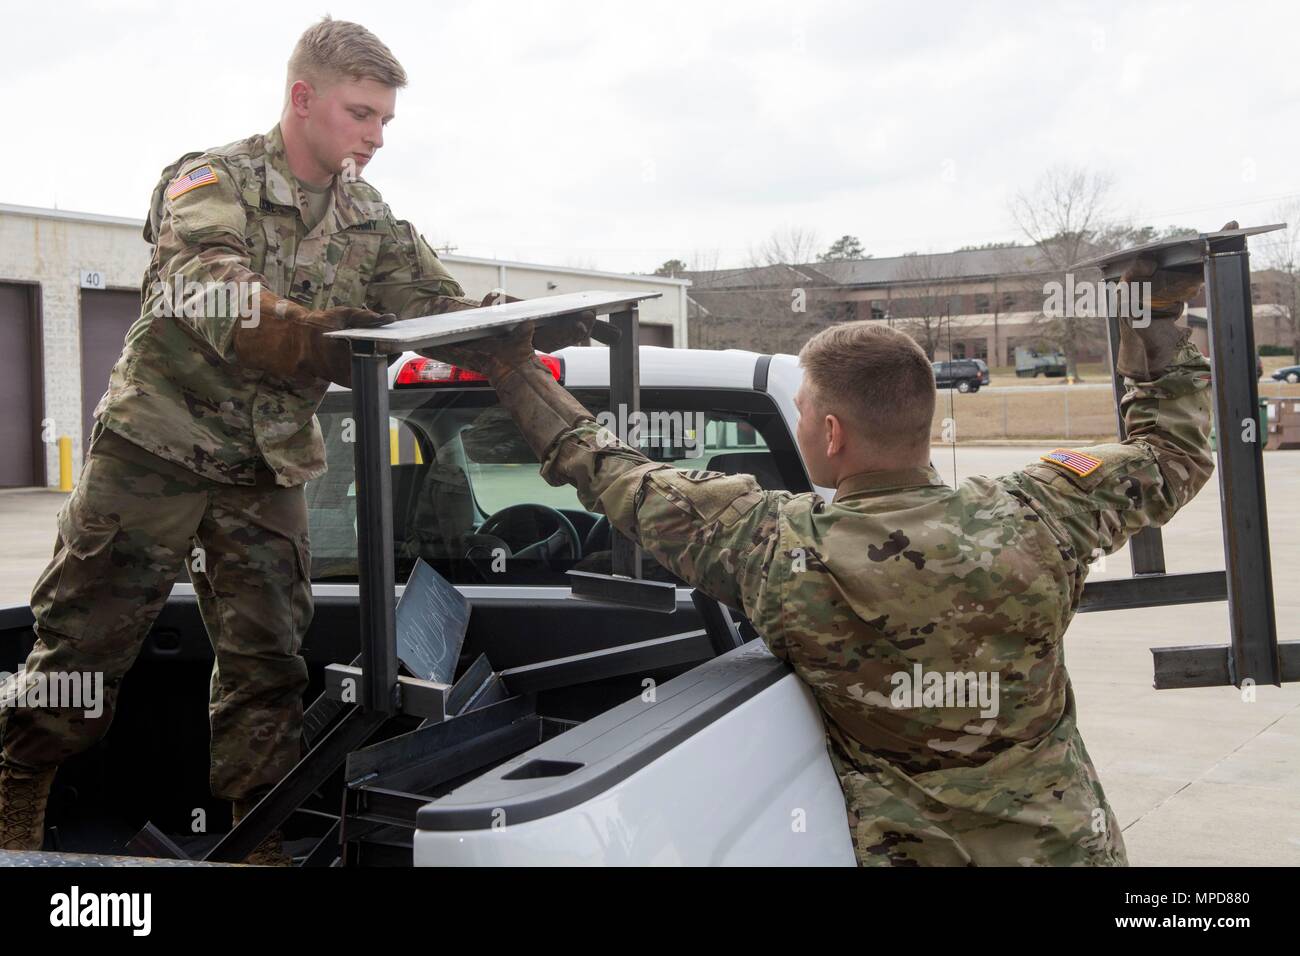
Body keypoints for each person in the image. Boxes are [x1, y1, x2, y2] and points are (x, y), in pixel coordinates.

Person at [0, 17, 583, 864]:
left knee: (268, 660)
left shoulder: (366, 214)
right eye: (361, 114)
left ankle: (254, 834)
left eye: (385, 119)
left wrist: (514, 328)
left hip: (264, 464)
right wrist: (320, 337)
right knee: (83, 647)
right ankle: (17, 788)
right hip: (154, 452)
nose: (377, 137)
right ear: (303, 99)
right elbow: (210, 293)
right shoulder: (209, 182)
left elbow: (433, 302)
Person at [421, 250, 1218, 865]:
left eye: (804, 413)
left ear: (830, 435)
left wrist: (511, 368)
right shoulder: (1044, 508)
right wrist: (1149, 317)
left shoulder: (777, 545)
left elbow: (609, 472)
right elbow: (1175, 450)